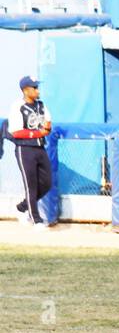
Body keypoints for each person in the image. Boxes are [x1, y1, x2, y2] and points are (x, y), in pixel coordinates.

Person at [8, 76, 53, 227]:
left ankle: (22, 208)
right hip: (24, 148)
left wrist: (46, 128)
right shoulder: (17, 106)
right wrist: (37, 133)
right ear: (26, 90)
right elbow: (15, 132)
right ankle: (36, 219)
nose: (37, 90)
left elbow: (48, 123)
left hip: (40, 148)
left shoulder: (41, 105)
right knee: (31, 185)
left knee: (47, 183)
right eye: (34, 87)